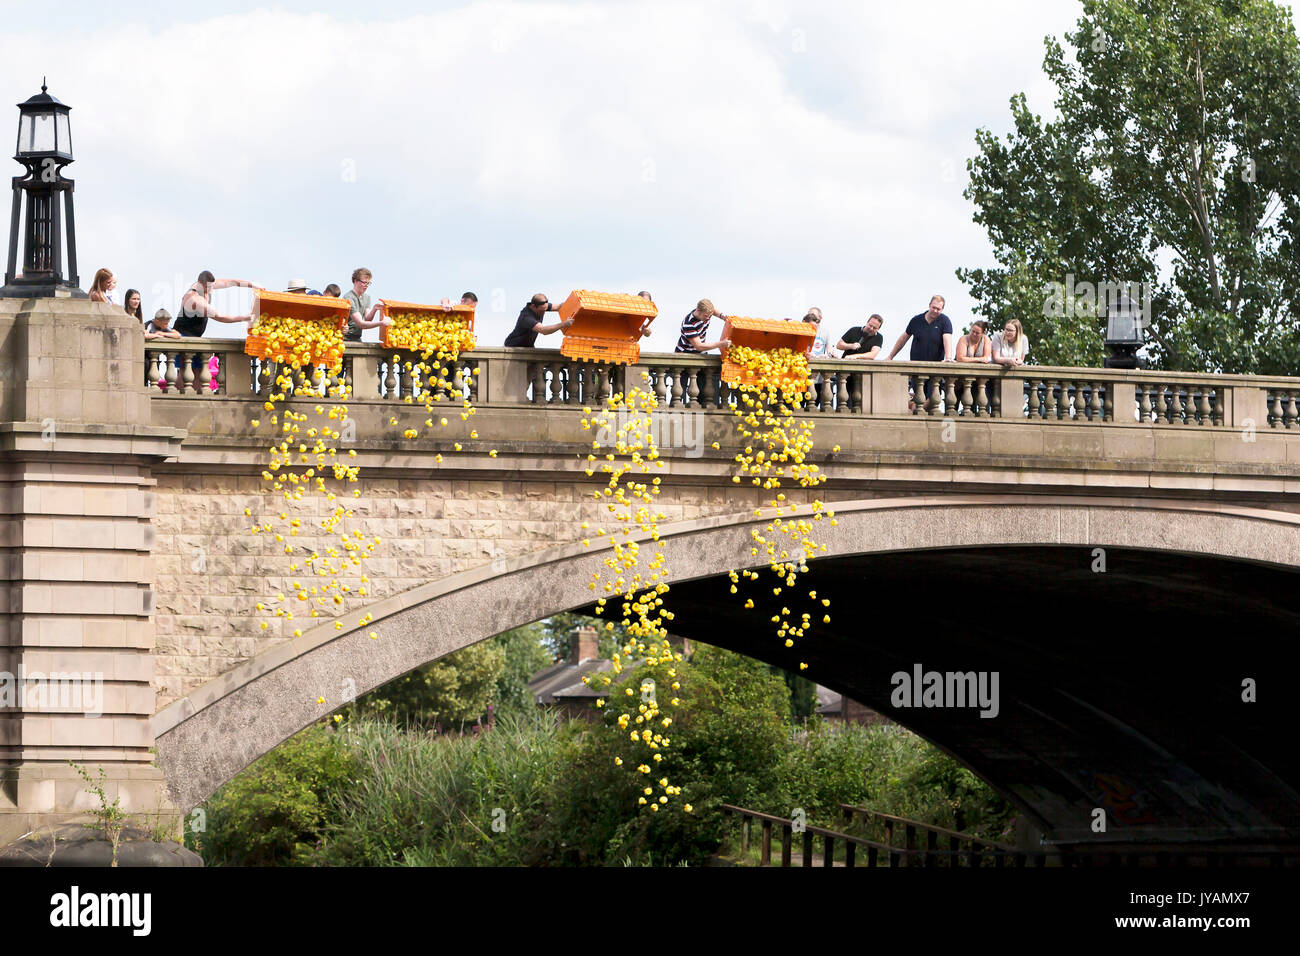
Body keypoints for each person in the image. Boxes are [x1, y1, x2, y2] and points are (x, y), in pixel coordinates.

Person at [175, 270, 257, 337]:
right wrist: (245, 318)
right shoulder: (195, 299)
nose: (211, 289)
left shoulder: (209, 285)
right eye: (208, 287)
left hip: (194, 338)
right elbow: (220, 317)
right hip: (182, 336)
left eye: (212, 286)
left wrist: (254, 285)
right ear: (199, 283)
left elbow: (233, 282)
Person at [886, 295, 954, 362]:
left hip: (936, 366)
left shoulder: (945, 321)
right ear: (929, 305)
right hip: (916, 365)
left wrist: (948, 357)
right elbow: (903, 338)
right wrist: (890, 356)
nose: (935, 311)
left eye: (938, 309)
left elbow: (947, 339)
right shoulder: (916, 320)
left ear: (942, 309)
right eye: (933, 307)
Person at [504, 293, 573, 347]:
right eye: (541, 310)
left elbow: (559, 306)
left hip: (528, 346)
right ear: (533, 306)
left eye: (545, 310)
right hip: (514, 347)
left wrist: (576, 303)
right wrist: (563, 324)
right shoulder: (526, 317)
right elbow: (543, 330)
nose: (543, 313)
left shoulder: (542, 305)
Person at [342, 268, 387, 342]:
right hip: (345, 338)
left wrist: (374, 309)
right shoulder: (349, 298)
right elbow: (361, 324)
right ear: (355, 281)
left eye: (368, 283)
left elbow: (367, 319)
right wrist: (381, 323)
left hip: (357, 338)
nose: (366, 285)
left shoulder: (367, 297)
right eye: (364, 282)